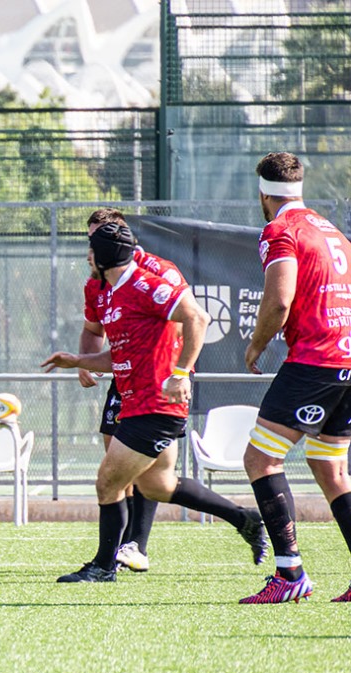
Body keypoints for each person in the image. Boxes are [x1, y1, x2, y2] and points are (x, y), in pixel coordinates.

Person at [42, 220, 265, 583]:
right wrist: (79, 361)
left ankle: (103, 566)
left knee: (107, 482)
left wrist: (180, 373)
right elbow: (121, 356)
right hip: (136, 402)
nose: (86, 256)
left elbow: (198, 316)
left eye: (90, 249)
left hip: (155, 405)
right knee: (157, 485)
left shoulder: (144, 284)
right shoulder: (111, 292)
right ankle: (244, 518)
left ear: (103, 255)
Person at [239, 151, 351, 604]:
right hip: (347, 357)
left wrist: (256, 344)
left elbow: (280, 299)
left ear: (263, 194)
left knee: (260, 460)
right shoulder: (332, 231)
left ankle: (290, 575)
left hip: (316, 361)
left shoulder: (280, 229)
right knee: (330, 468)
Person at [76, 208, 186, 572]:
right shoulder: (98, 280)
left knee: (144, 471)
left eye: (97, 240)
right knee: (118, 457)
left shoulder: (156, 272)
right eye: (90, 240)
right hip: (123, 375)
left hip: (159, 381)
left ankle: (133, 545)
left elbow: (190, 319)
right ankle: (117, 548)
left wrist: (179, 372)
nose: (91, 250)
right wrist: (85, 361)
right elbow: (93, 330)